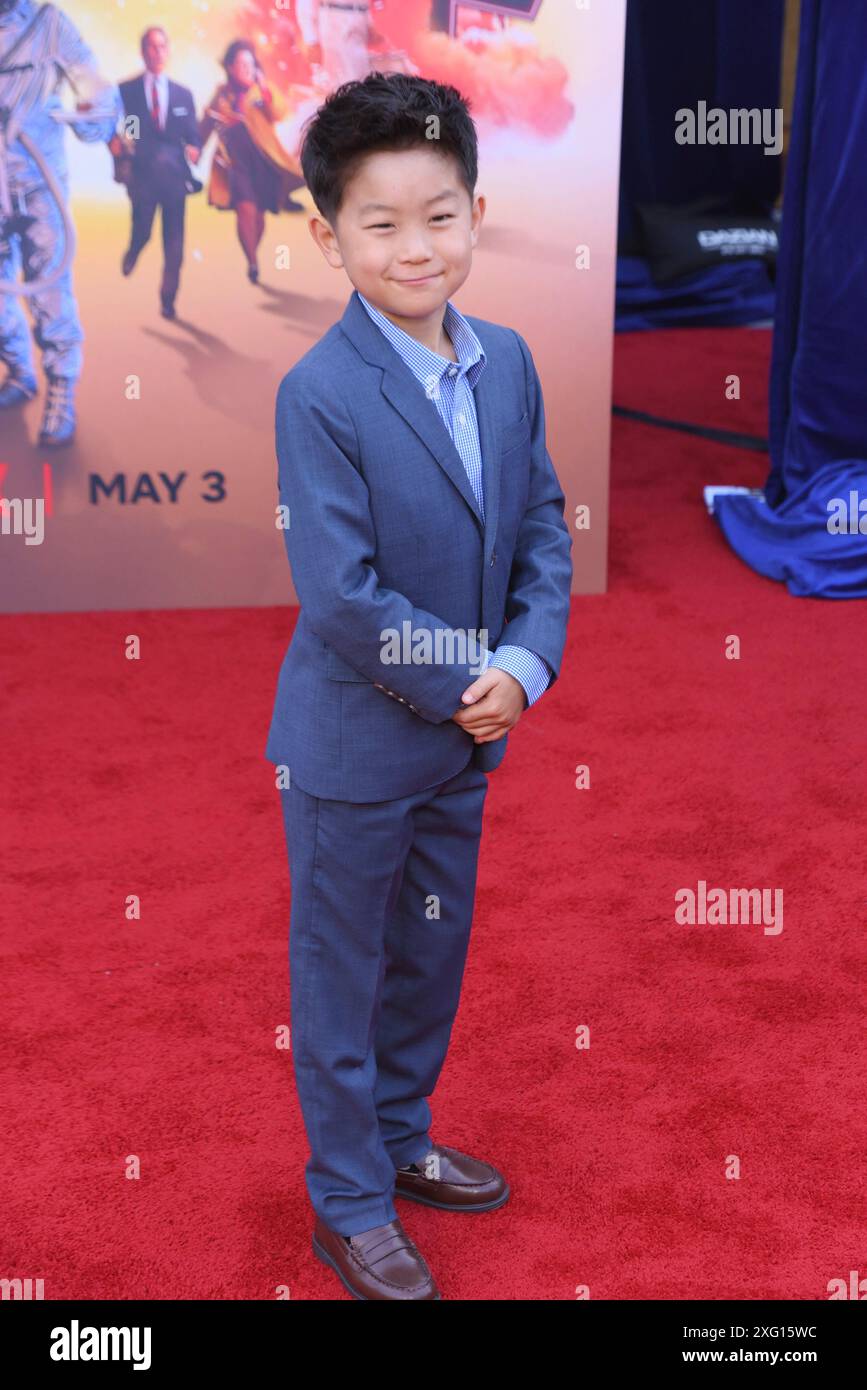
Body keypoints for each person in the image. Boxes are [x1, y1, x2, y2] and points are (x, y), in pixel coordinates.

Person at [265, 73, 572, 1300]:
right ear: (329, 235)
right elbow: (342, 594)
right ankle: (347, 1198)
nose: (414, 246)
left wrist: (526, 664)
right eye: (379, 223)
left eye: (437, 215)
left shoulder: (509, 364)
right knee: (341, 969)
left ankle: (400, 1139)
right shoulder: (319, 393)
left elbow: (543, 527)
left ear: (477, 212)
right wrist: (469, 681)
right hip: (353, 744)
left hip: (466, 736)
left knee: (429, 959)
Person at [0, 0, 120, 447]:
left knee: (49, 291)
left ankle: (61, 390)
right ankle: (19, 369)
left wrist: (94, 113)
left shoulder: (48, 24)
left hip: (38, 182)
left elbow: (95, 88)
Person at [198, 39, 305, 284]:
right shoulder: (222, 94)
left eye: (249, 63)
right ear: (229, 68)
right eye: (240, 63)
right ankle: (253, 263)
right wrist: (195, 148)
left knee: (259, 216)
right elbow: (205, 124)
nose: (246, 68)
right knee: (245, 208)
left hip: (263, 160)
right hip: (235, 162)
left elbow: (278, 113)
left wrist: (265, 90)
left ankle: (252, 252)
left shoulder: (262, 90)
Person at [115, 27, 201, 321]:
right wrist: (126, 143)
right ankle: (134, 251)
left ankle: (168, 299)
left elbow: (193, 135)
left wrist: (194, 149)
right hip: (143, 178)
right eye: (152, 47)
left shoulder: (183, 94)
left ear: (168, 50)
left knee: (174, 245)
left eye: (163, 46)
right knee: (143, 231)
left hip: (176, 179)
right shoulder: (126, 91)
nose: (158, 52)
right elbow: (124, 127)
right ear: (143, 52)